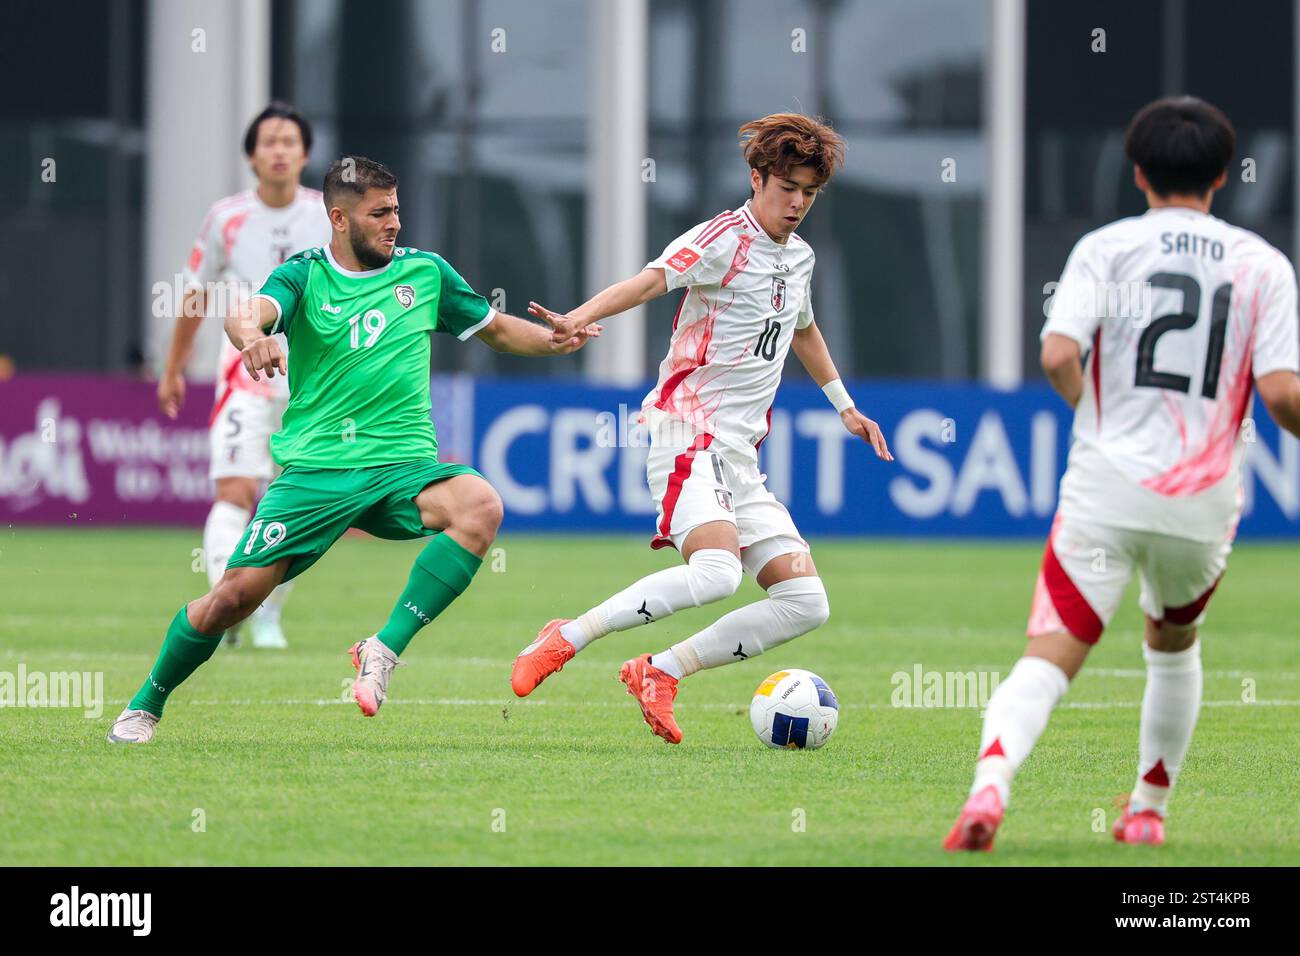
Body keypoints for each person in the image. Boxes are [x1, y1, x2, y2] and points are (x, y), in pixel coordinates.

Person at [108, 156, 600, 743]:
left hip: (402, 467)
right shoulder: (304, 276)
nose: (394, 223)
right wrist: (255, 339)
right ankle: (146, 702)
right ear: (339, 218)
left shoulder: (426, 274)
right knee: (231, 601)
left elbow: (493, 327)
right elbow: (247, 313)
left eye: (397, 209)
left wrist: (554, 341)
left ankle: (383, 649)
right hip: (317, 472)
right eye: (379, 213)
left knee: (480, 506)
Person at [945, 96, 1300, 850]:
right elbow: (1279, 394)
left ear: (1138, 173)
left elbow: (1057, 355)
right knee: (1174, 643)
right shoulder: (1263, 265)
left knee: (1050, 654)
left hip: (1105, 486)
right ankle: (1146, 811)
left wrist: (1095, 418)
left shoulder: (1106, 250)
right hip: (1202, 499)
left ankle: (989, 789)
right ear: (1223, 176)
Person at [512, 113, 892, 744]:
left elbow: (802, 328)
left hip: (739, 454)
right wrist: (574, 318)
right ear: (757, 178)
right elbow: (652, 279)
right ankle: (567, 636)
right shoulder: (723, 238)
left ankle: (661, 671)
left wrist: (843, 404)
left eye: (809, 193)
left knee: (806, 605)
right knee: (718, 574)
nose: (797, 203)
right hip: (686, 431)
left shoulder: (799, 257)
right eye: (787, 187)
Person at [157, 101, 331, 649]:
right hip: (243, 377)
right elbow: (194, 296)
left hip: (312, 380)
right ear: (252, 156)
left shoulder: (329, 215)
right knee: (234, 492)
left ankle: (267, 615)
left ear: (304, 153)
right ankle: (223, 603)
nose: (279, 150)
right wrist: (173, 369)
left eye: (289, 141)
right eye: (269, 141)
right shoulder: (226, 217)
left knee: (295, 502)